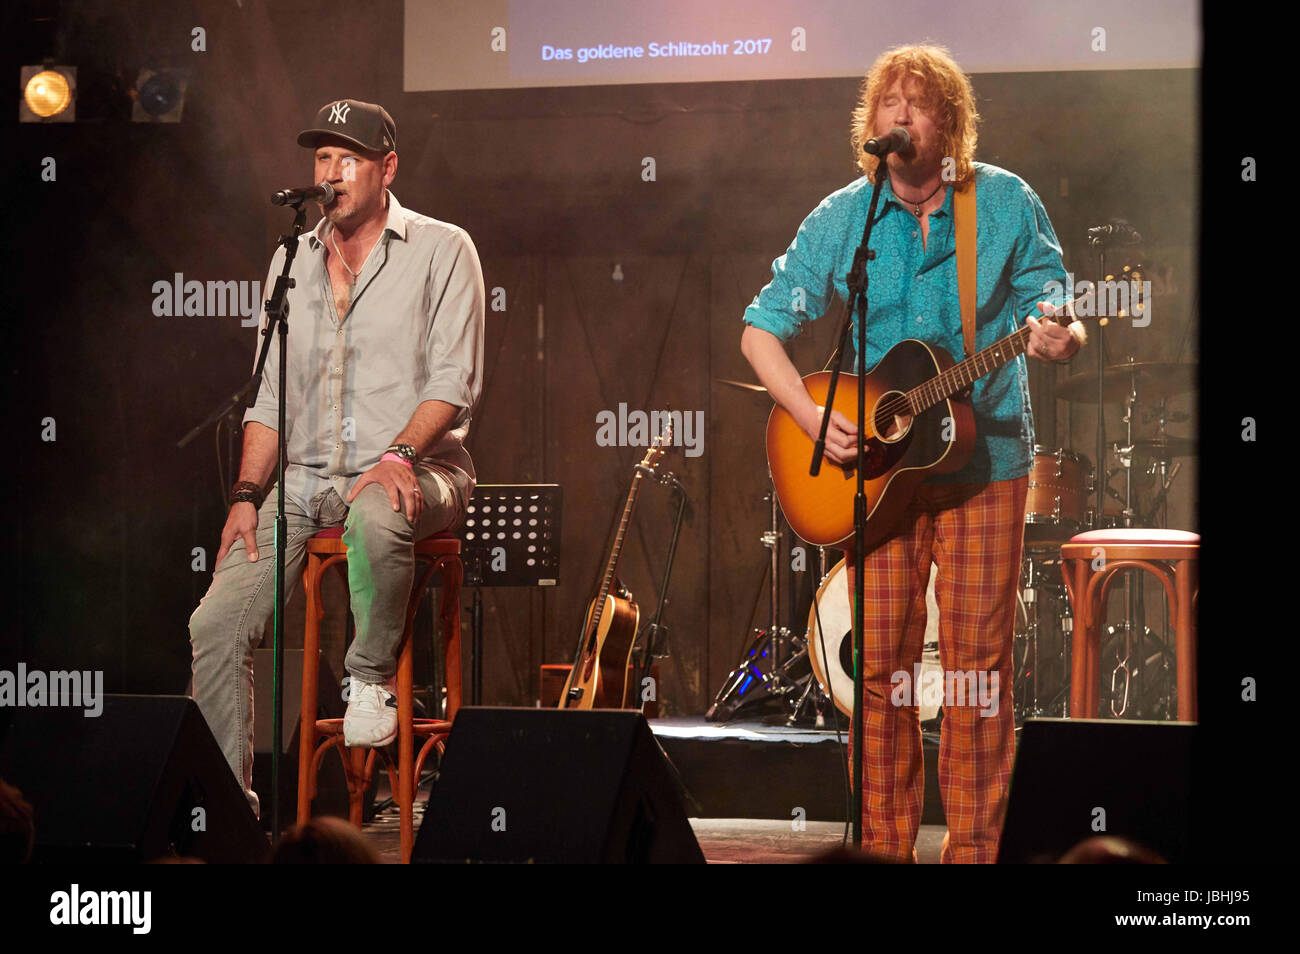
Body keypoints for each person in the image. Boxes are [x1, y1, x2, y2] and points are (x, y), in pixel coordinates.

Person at [740, 45, 1084, 863]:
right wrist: (813, 416)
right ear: (871, 124)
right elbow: (760, 332)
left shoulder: (1001, 203)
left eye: (919, 103)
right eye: (889, 102)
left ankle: (974, 855)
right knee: (881, 679)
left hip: (986, 467)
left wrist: (1059, 334)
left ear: (949, 121)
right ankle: (883, 856)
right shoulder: (844, 218)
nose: (901, 115)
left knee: (973, 677)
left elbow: (1056, 306)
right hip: (879, 483)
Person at [189, 99, 485, 817]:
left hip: (424, 471)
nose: (331, 172)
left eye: (347, 158)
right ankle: (231, 810)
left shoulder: (445, 248)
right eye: (321, 158)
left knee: (380, 512)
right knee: (214, 625)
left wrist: (397, 454)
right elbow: (267, 398)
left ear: (386, 168)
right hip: (306, 481)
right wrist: (243, 495)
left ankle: (369, 676)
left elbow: (455, 382)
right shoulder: (290, 260)